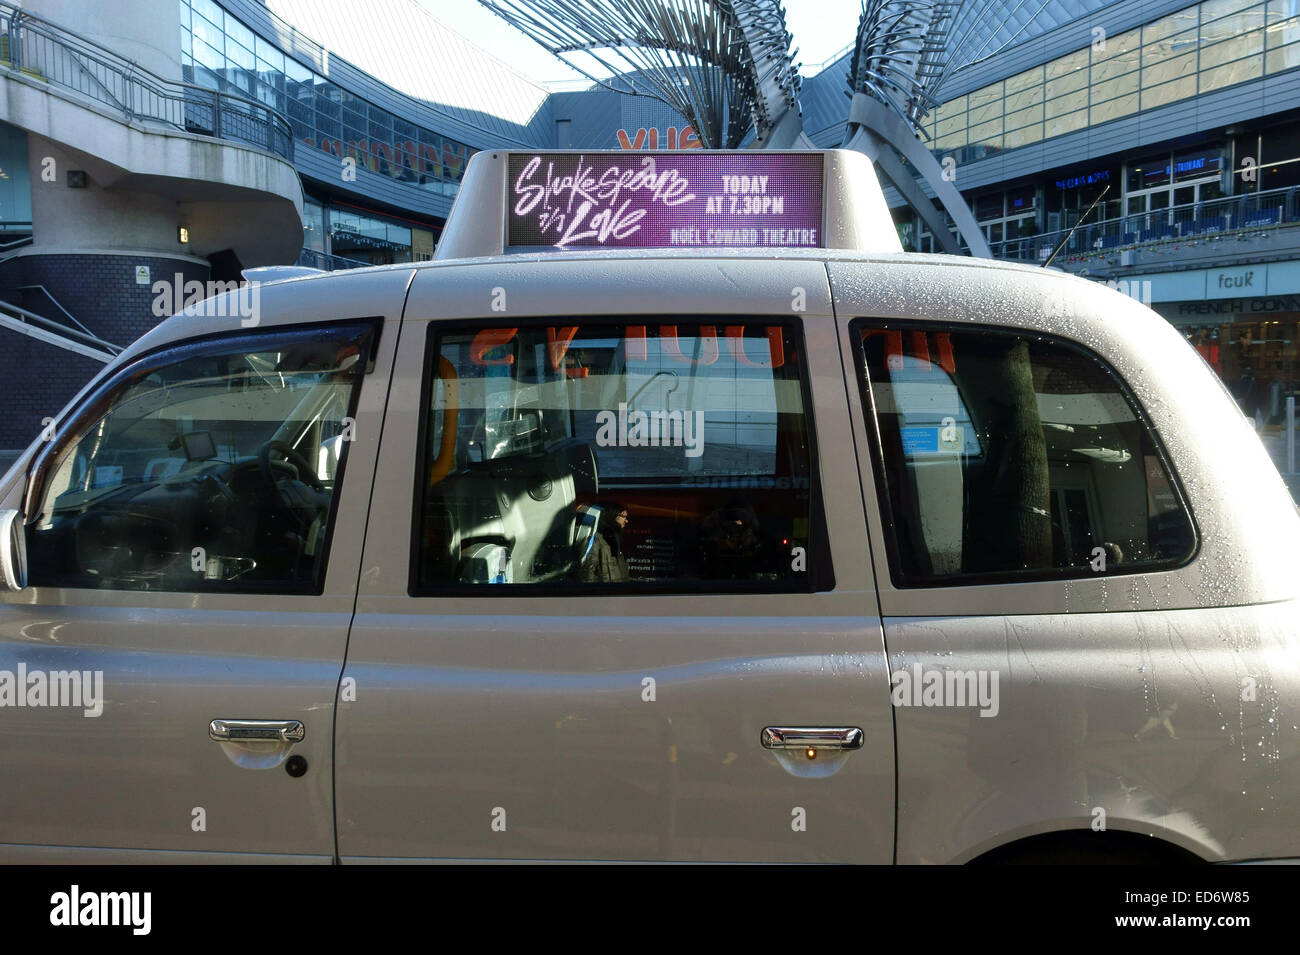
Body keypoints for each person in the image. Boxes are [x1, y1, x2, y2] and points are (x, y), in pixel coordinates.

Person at [579, 501, 630, 583]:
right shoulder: (597, 538)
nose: (626, 521)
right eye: (623, 516)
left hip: (618, 592)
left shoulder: (616, 538)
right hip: (604, 592)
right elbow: (588, 570)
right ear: (613, 516)